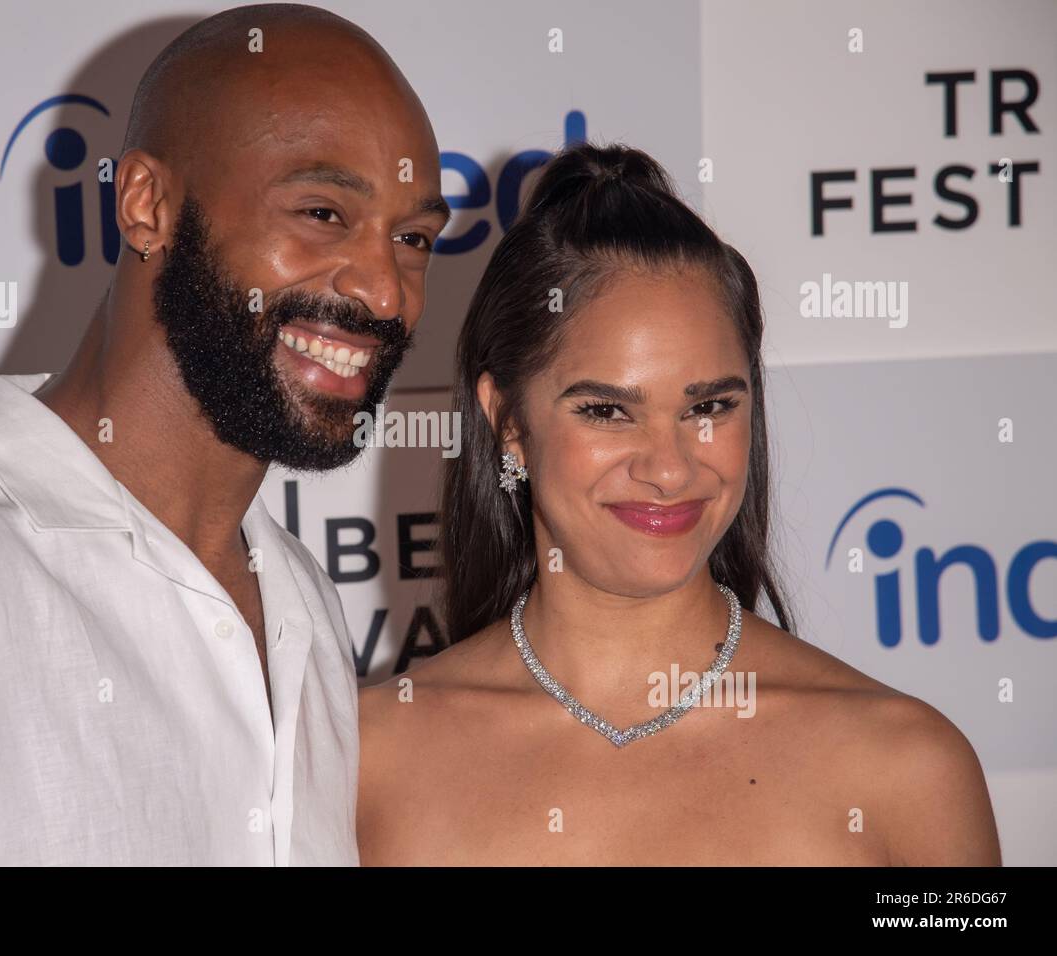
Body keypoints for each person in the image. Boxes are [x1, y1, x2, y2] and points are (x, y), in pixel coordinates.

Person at [0, 3, 449, 865]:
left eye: (414, 237)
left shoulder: (299, 599)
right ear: (147, 204)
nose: (385, 291)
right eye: (320, 213)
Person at [356, 141, 1001, 866]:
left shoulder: (908, 766)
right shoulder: (368, 761)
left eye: (710, 407)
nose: (669, 469)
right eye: (606, 411)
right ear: (508, 423)